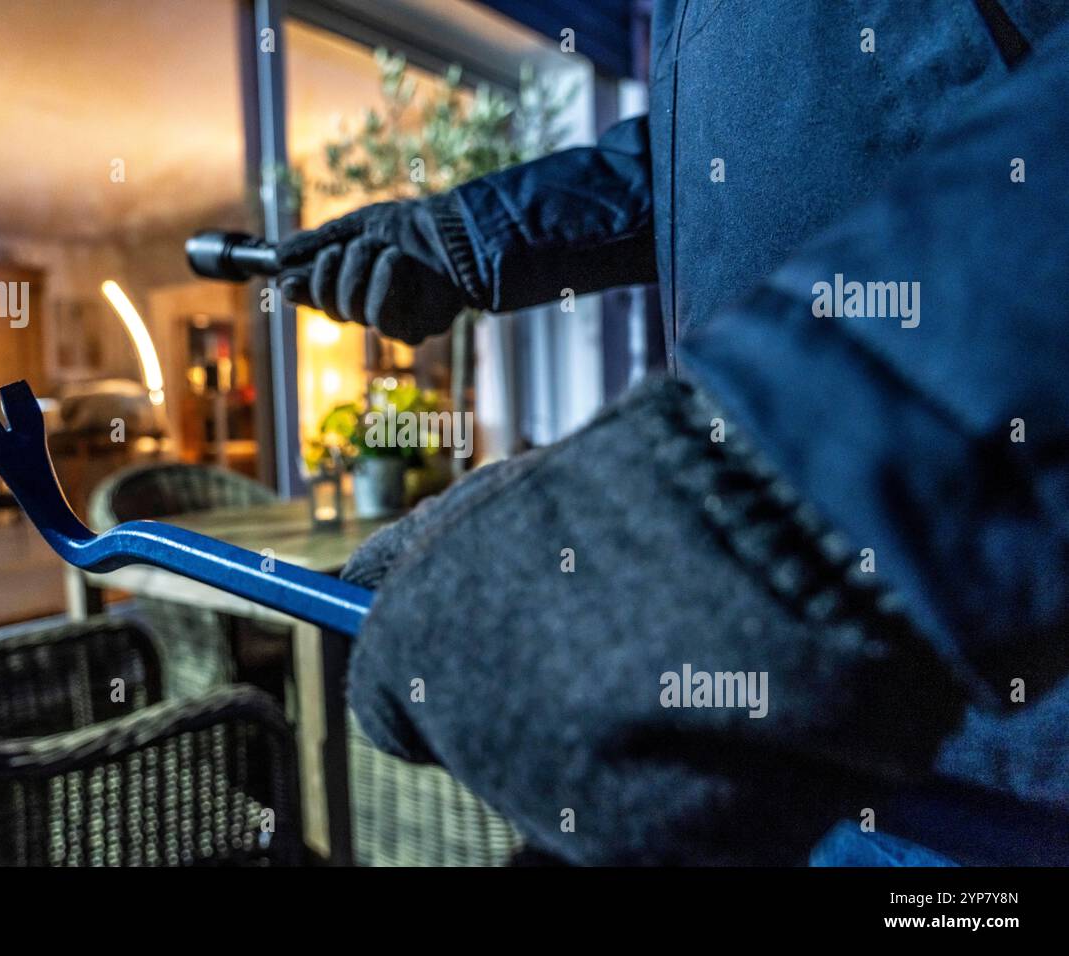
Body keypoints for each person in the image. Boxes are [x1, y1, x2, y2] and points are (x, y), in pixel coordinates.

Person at [275, 5, 1069, 865]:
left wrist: (782, 503)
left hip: (989, 701)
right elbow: (730, 139)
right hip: (776, 726)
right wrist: (474, 232)